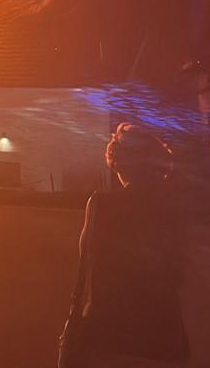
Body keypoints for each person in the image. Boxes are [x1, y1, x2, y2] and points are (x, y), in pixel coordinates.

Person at [58, 123, 188, 368]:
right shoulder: (172, 211)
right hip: (165, 338)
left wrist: (73, 327)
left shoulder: (101, 207)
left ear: (117, 160)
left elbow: (85, 274)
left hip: (112, 335)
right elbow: (178, 274)